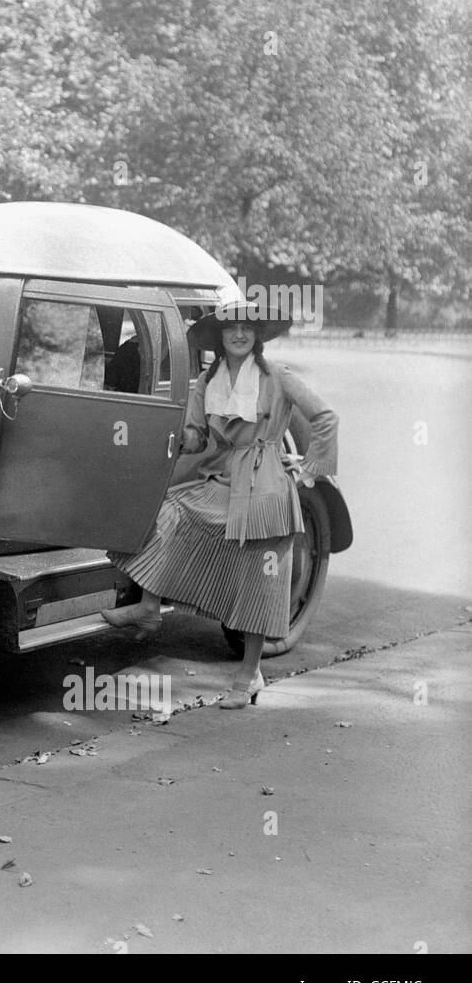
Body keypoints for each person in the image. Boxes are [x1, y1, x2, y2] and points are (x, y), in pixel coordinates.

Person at [99, 303, 339, 708]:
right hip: (223, 475)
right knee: (168, 513)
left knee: (258, 575)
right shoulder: (206, 381)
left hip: (264, 484)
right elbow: (195, 437)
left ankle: (248, 676)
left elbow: (326, 417)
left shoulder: (277, 376)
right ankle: (149, 607)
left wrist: (311, 469)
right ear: (220, 338)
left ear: (257, 336)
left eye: (248, 329)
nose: (240, 335)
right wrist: (172, 439)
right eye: (232, 329)